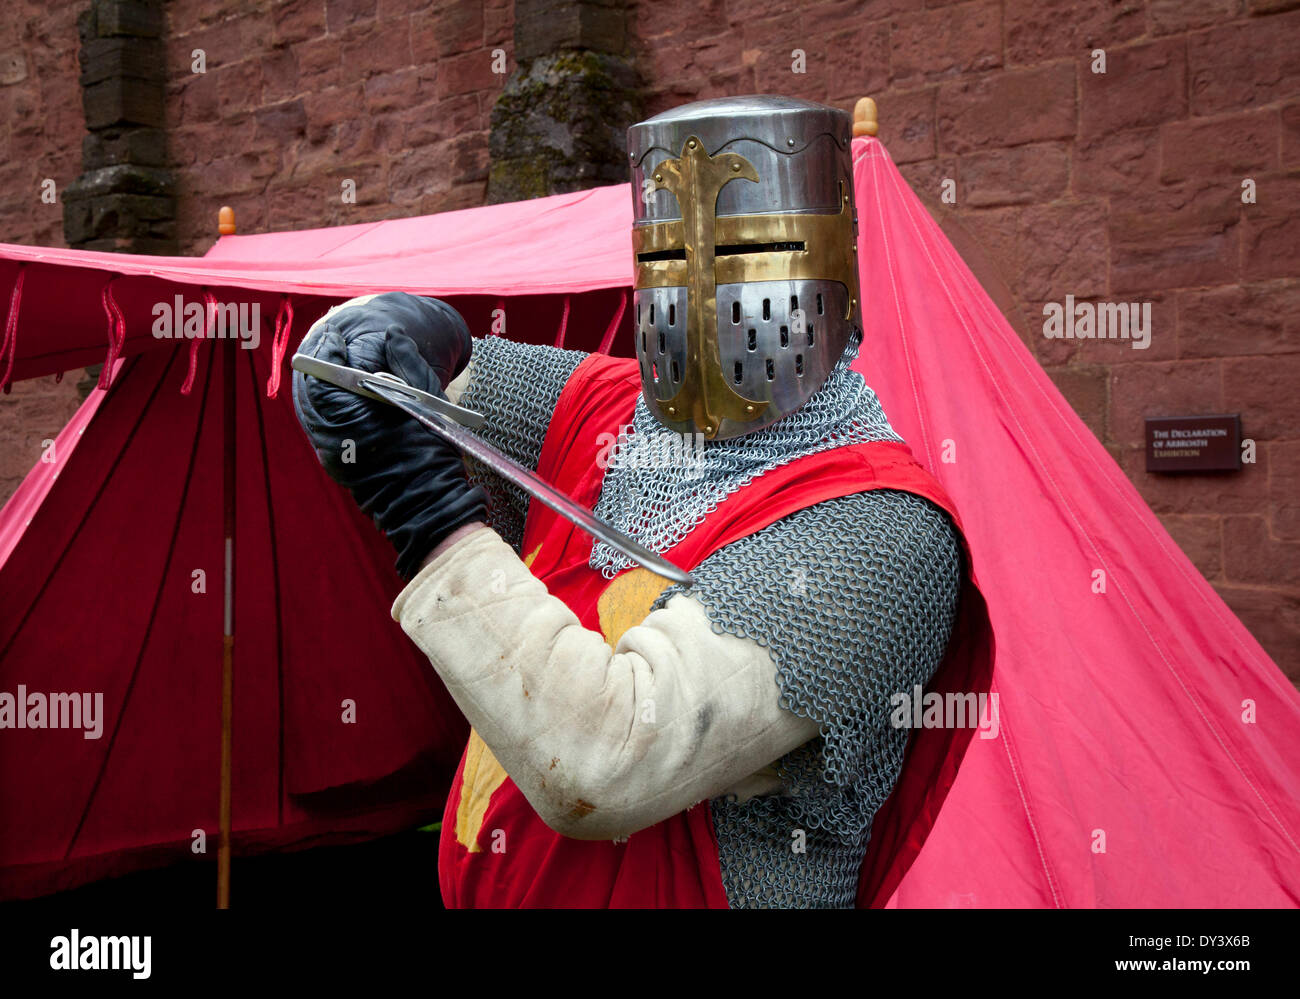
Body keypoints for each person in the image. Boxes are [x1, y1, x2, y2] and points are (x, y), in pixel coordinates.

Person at [294, 96, 974, 908]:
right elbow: (398, 381)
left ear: (837, 272)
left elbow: (604, 757)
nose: (705, 292)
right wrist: (384, 331)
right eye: (666, 257)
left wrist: (434, 524)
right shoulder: (605, 408)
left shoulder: (880, 530)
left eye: (757, 248)